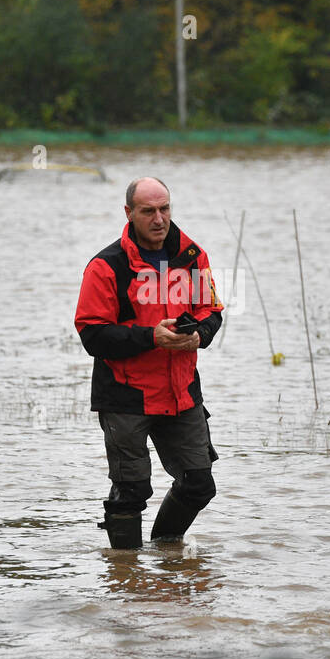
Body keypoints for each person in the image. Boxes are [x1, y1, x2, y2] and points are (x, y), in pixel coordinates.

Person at [74, 177, 224, 549]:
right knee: (132, 490)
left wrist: (199, 334)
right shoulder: (106, 266)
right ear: (129, 213)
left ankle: (165, 554)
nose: (159, 219)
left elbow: (212, 311)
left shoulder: (192, 256)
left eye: (165, 209)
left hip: (182, 391)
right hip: (126, 395)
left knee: (199, 484)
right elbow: (92, 335)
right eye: (148, 211)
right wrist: (150, 337)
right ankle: (126, 577)